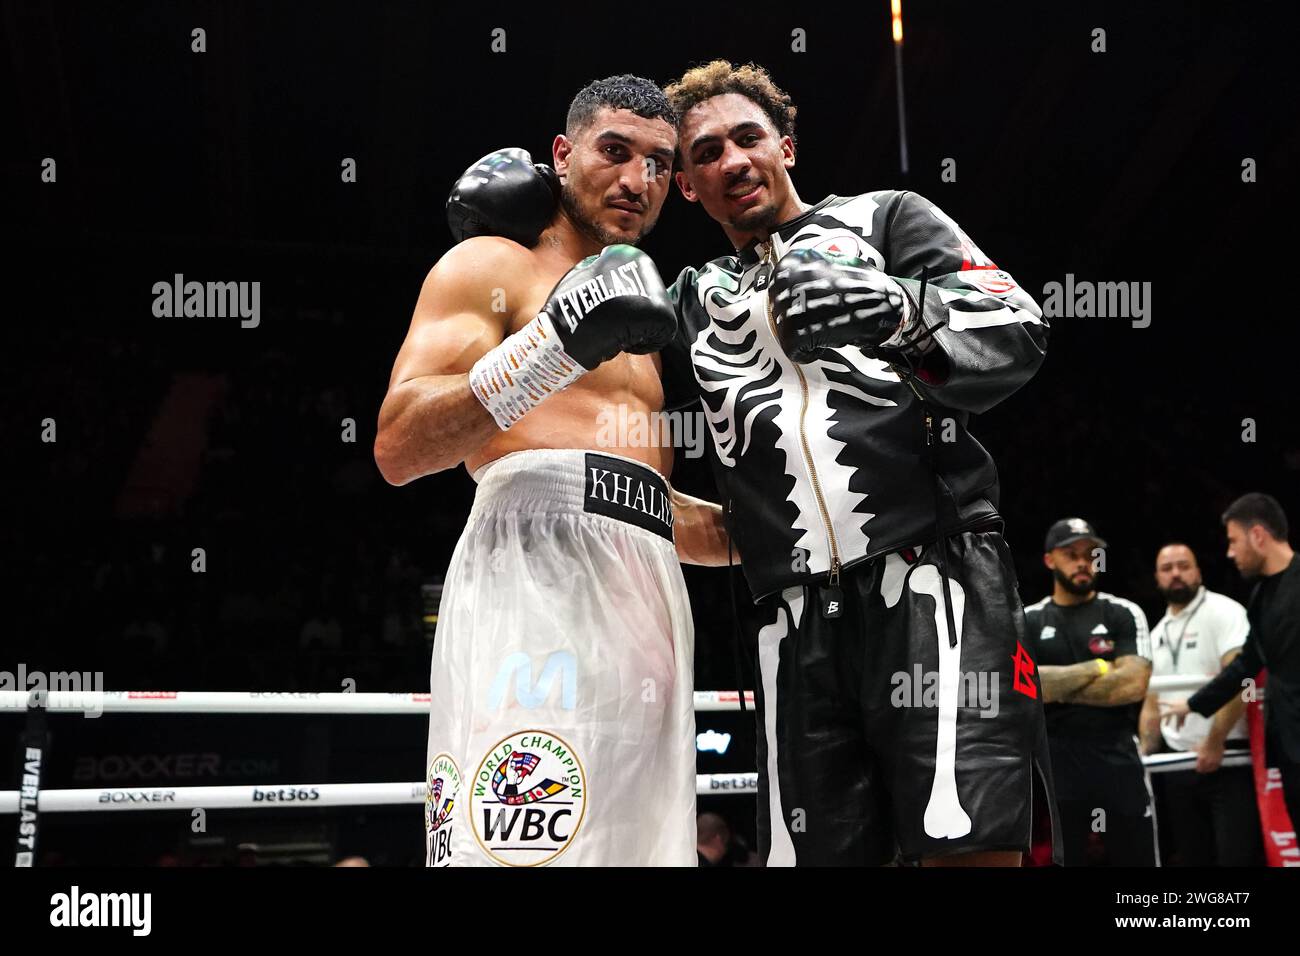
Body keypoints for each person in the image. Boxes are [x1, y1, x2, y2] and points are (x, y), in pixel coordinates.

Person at [661, 61, 1057, 866]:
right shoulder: (687, 299)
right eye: (705, 153)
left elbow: (1019, 325)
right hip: (792, 618)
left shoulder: (886, 218)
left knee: (967, 845)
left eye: (748, 138)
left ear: (788, 149)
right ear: (688, 188)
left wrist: (900, 309)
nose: (732, 160)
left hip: (936, 579)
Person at [375, 75, 728, 867]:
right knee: (517, 849)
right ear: (563, 156)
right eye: (615, 152)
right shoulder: (490, 264)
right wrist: (553, 344)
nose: (638, 182)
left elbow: (654, 514)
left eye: (661, 166)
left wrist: (790, 531)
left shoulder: (641, 322)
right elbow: (399, 446)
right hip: (531, 592)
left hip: (651, 608)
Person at [1165, 493, 1300, 833]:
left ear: (1258, 536)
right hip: (1289, 745)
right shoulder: (1261, 596)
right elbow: (1247, 665)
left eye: (1233, 541)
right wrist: (1194, 704)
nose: (1229, 553)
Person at [1024, 518, 1156, 865]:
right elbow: (1025, 688)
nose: (1084, 562)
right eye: (1071, 554)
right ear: (1050, 560)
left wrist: (1054, 686)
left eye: (1091, 554)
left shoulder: (1123, 612)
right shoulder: (1027, 621)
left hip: (1118, 758)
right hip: (1056, 764)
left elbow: (1133, 684)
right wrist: (1098, 667)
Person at [1139, 543, 1263, 865]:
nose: (1176, 574)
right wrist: (1143, 754)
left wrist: (1214, 741)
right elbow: (1152, 704)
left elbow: (1241, 679)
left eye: (1184, 565)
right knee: (1193, 858)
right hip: (1179, 765)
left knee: (1236, 858)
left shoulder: (1225, 612)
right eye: (1167, 569)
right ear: (1157, 578)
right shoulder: (1156, 634)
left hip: (1229, 758)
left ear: (1198, 571)